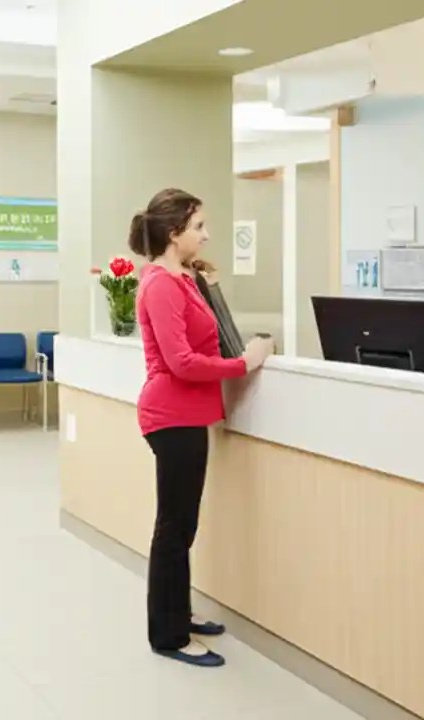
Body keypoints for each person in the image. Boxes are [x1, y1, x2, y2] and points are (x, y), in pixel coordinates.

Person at [129, 188, 274, 667]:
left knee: (182, 525)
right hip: (171, 416)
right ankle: (169, 637)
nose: (206, 235)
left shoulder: (182, 278)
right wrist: (244, 363)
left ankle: (179, 613)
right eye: (198, 226)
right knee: (173, 528)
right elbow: (183, 362)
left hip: (188, 415)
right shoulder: (160, 284)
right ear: (174, 233)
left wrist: (203, 282)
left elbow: (205, 331)